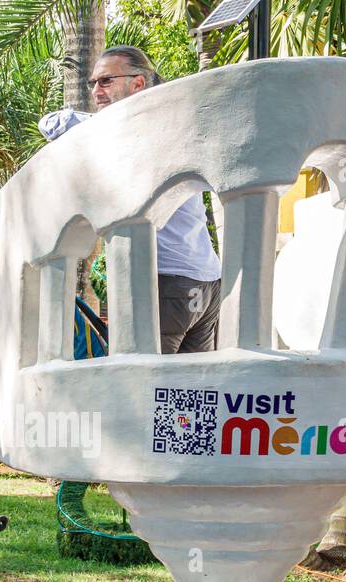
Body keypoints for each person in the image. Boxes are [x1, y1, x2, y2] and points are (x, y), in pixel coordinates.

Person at [37, 46, 222, 354]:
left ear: (138, 83)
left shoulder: (132, 129)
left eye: (106, 81)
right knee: (195, 384)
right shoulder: (172, 124)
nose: (96, 91)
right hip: (207, 281)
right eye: (93, 83)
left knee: (145, 381)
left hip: (167, 282)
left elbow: (55, 123)